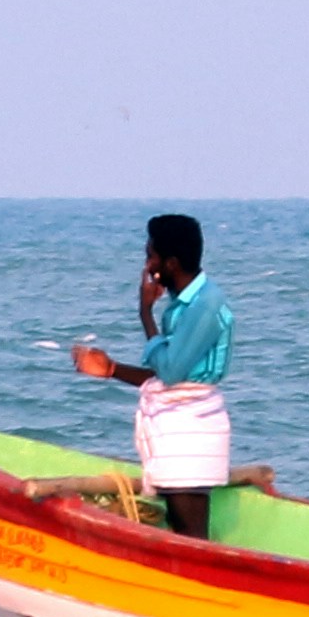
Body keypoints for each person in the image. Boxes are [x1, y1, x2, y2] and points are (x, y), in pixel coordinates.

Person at [71, 214, 234, 536]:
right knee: (183, 530)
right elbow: (171, 377)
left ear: (170, 263)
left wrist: (145, 313)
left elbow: (172, 372)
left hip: (191, 436)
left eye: (150, 256)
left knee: (191, 537)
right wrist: (112, 369)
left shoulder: (204, 306)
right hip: (180, 433)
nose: (147, 267)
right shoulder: (183, 305)